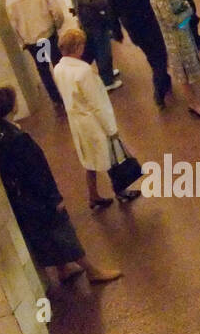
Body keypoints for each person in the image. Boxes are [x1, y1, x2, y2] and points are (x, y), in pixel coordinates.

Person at [0, 86, 121, 284]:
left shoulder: (2, 133)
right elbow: (36, 173)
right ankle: (92, 270)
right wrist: (54, 198)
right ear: (12, 106)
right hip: (40, 199)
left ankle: (62, 268)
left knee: (50, 235)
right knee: (62, 231)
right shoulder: (18, 139)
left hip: (28, 200)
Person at [52, 27, 141, 209]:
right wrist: (111, 128)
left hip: (77, 121)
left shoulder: (59, 68)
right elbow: (97, 103)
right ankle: (121, 191)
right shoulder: (84, 71)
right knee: (111, 157)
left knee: (89, 159)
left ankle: (93, 195)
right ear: (77, 47)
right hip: (93, 122)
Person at [106, 0, 171, 106]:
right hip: (152, 26)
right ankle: (159, 91)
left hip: (135, 31)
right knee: (160, 57)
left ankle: (165, 80)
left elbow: (112, 14)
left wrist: (117, 33)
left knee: (152, 56)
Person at [5, 0, 65, 109]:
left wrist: (22, 40)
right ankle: (66, 90)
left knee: (43, 69)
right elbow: (56, 12)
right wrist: (58, 25)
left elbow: (14, 24)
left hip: (33, 41)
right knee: (58, 63)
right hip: (48, 34)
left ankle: (56, 99)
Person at [67, 0, 121, 91]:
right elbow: (89, 0)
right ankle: (107, 80)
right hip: (94, 17)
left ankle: (105, 73)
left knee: (93, 46)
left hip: (85, 18)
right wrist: (108, 1)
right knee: (102, 47)